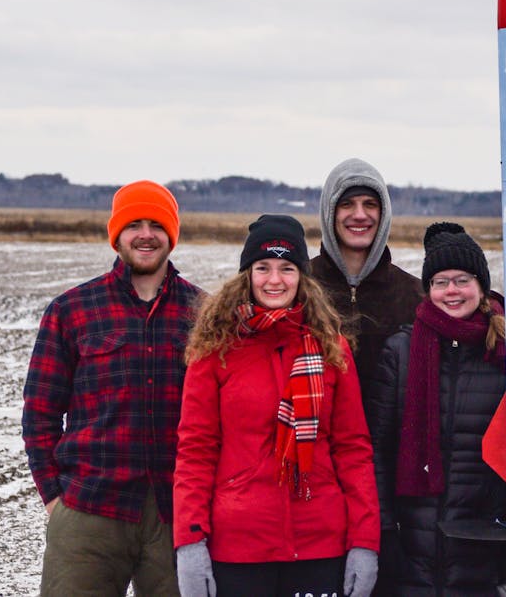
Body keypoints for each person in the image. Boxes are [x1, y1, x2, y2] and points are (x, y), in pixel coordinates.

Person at [171, 214, 380, 597]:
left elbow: (353, 451)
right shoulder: (214, 350)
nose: (274, 279)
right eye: (263, 267)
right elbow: (195, 452)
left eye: (287, 268)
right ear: (246, 275)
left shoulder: (331, 348)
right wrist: (190, 542)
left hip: (319, 545)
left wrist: (365, 542)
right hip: (238, 548)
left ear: (302, 276)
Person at [22, 179, 205, 597]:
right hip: (90, 508)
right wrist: (55, 498)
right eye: (134, 224)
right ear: (116, 235)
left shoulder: (203, 314)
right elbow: (39, 416)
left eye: (157, 225)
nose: (146, 234)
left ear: (171, 235)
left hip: (177, 514)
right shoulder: (72, 310)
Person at [366, 223, 506, 597]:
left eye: (462, 280)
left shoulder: (505, 355)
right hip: (410, 551)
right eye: (440, 281)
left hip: (479, 548)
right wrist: (386, 533)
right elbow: (376, 453)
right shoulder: (400, 351)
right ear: (428, 289)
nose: (452, 291)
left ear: (481, 287)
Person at [311, 158, 424, 389]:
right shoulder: (300, 285)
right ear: (329, 211)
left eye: (370, 204)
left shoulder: (415, 296)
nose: (360, 214)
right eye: (347, 204)